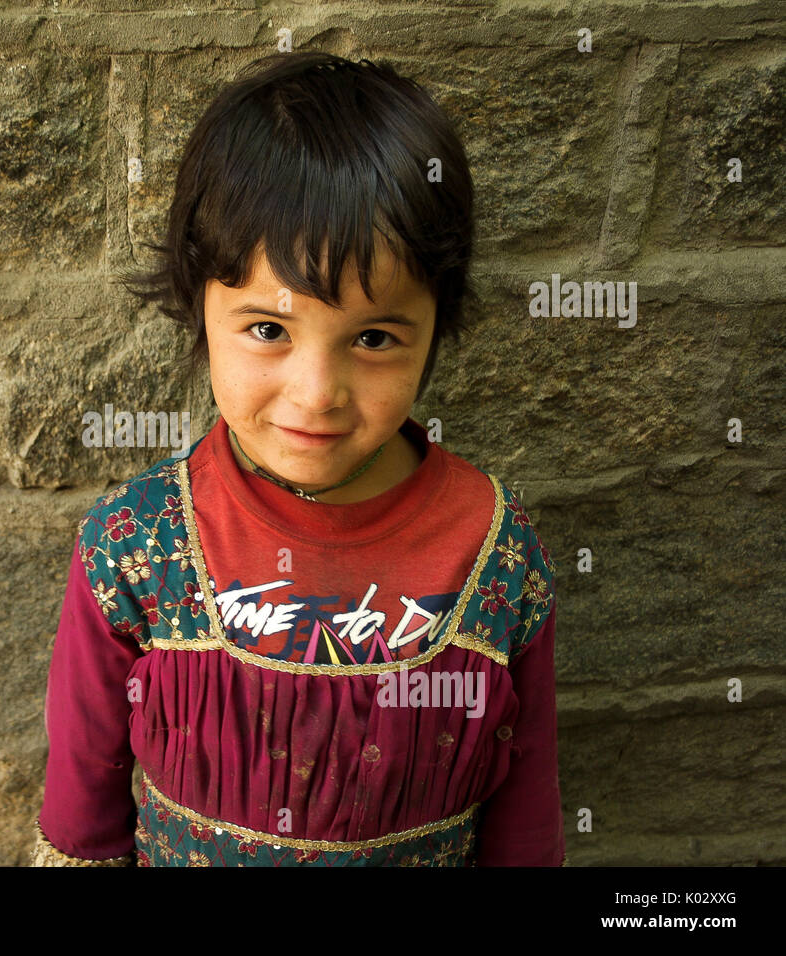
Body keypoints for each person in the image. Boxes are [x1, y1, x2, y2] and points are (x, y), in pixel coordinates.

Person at [30, 50, 564, 867]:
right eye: (268, 329)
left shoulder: (496, 552)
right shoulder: (133, 547)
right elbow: (82, 813)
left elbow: (526, 817)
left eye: (375, 338)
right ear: (196, 306)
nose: (318, 394)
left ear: (436, 328)